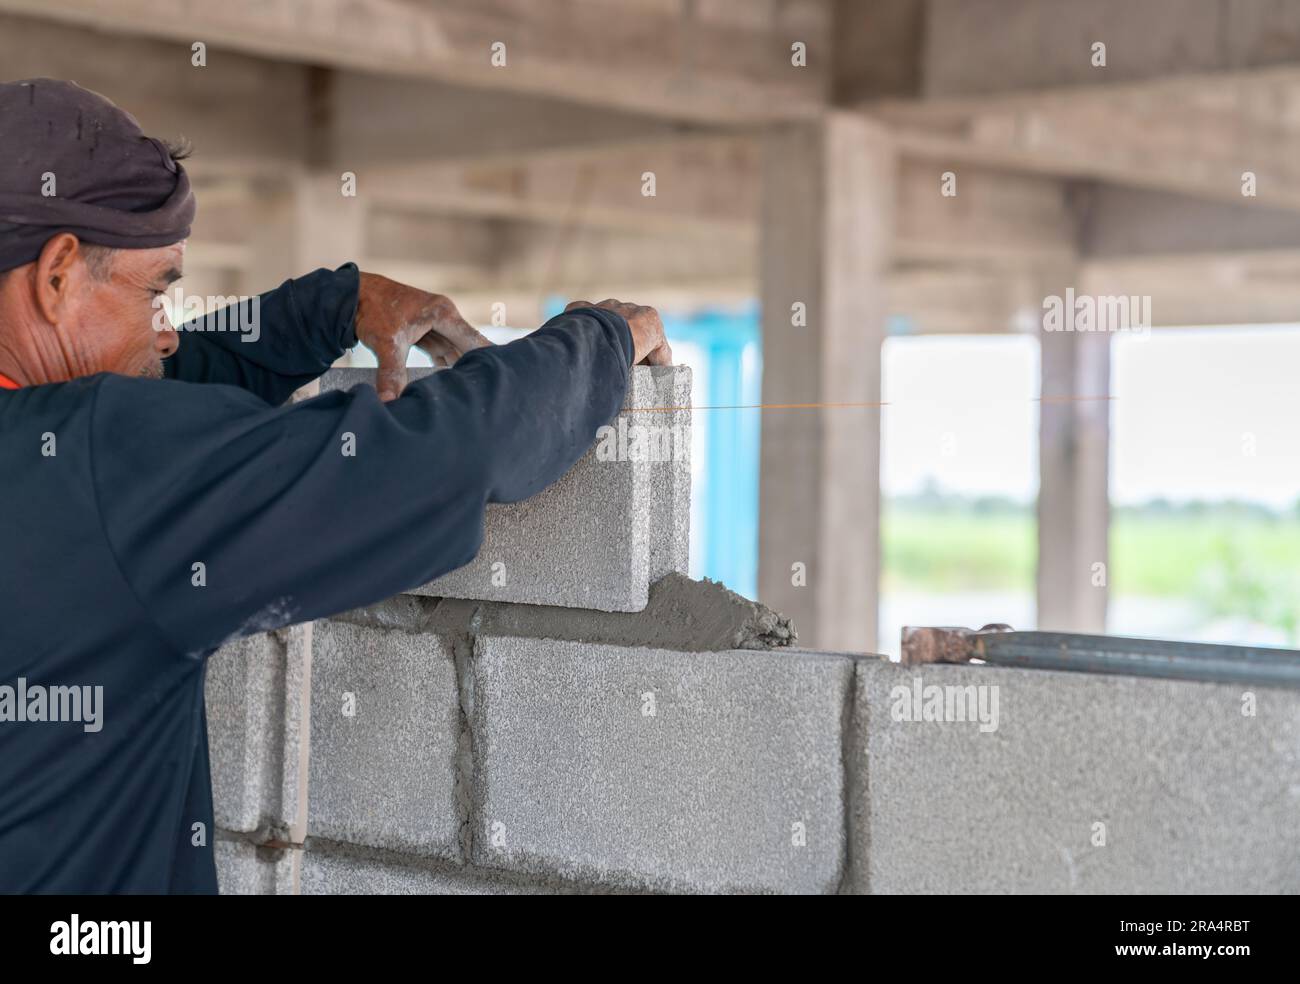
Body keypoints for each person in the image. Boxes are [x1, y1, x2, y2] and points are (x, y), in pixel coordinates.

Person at [0, 78, 671, 893]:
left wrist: (333, 307)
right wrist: (599, 340)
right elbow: (442, 457)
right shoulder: (106, 465)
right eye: (157, 291)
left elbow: (166, 391)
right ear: (58, 274)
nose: (167, 331)